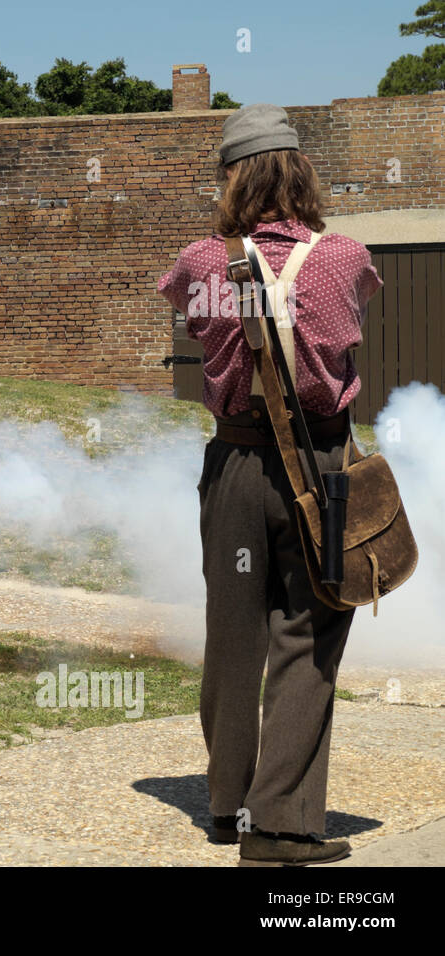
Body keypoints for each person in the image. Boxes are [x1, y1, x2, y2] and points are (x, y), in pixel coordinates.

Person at [157, 103, 382, 866]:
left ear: (232, 179)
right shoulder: (345, 256)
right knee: (308, 634)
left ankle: (228, 806)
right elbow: (349, 325)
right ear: (300, 171)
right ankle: (282, 825)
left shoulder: (199, 261)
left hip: (235, 467)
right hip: (319, 466)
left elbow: (191, 320)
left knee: (233, 635)